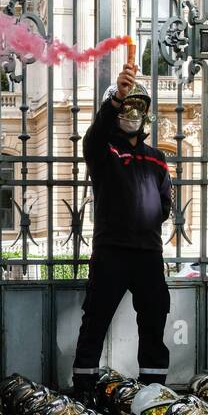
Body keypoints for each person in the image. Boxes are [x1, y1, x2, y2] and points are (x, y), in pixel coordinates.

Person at [72, 54, 174, 394]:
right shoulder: (103, 151)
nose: (131, 115)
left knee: (154, 321)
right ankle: (84, 387)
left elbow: (165, 203)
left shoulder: (157, 158)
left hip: (147, 252)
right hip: (112, 251)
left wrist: (146, 221)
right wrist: (116, 95)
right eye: (124, 108)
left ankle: (153, 388)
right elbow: (94, 136)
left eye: (136, 108)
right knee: (96, 320)